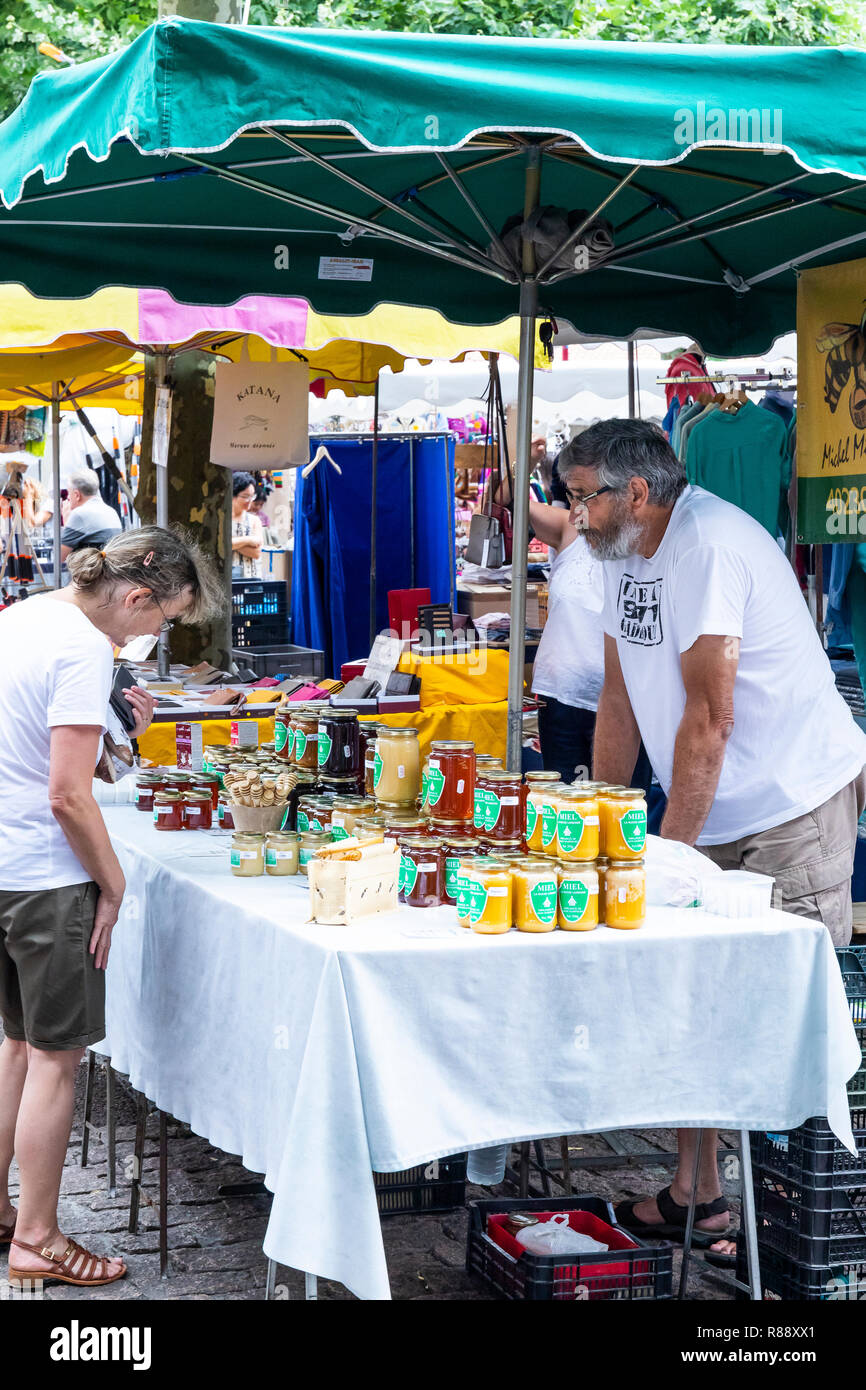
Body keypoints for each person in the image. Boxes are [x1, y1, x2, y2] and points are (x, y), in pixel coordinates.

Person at [558, 417, 866, 1257]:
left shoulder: (709, 547)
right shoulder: (621, 550)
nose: (575, 515)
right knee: (695, 994)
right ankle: (698, 1194)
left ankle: (798, 1222)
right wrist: (607, 821)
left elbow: (709, 717)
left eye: (584, 498)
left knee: (782, 1010)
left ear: (638, 492)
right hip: (712, 798)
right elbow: (618, 698)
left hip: (788, 804)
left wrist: (667, 855)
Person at [0, 526, 222, 1289]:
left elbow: (36, 755)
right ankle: (38, 1238)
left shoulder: (21, 616)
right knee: (55, 1061)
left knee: (17, 1048)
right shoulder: (84, 647)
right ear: (135, 596)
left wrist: (119, 737)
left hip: (6, 864)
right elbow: (67, 794)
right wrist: (113, 882)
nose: (150, 637)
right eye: (162, 619)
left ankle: (5, 1211)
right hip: (45, 877)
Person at [59, 468, 122, 562]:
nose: (68, 497)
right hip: (110, 568)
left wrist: (66, 520)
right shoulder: (111, 511)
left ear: (76, 495)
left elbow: (60, 557)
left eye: (69, 493)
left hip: (91, 569)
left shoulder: (79, 514)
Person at [231, 471, 263, 580]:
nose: (250, 501)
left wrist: (233, 542)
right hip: (227, 580)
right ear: (233, 495)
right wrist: (249, 540)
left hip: (251, 579)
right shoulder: (223, 520)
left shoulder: (254, 520)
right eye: (245, 496)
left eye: (252, 496)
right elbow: (223, 546)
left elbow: (256, 553)